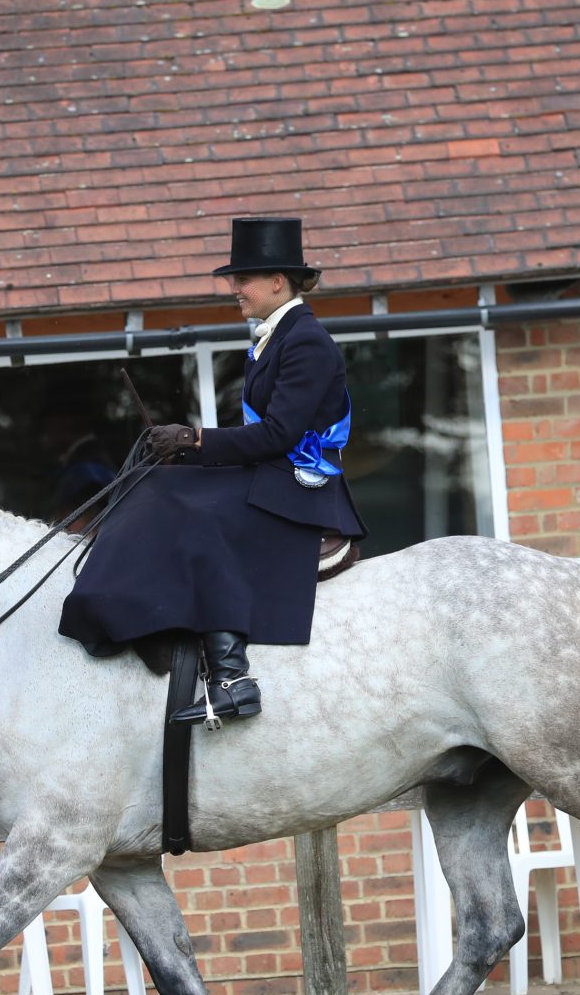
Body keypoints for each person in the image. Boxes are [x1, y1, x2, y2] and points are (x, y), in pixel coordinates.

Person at [57, 217, 367, 724]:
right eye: (233, 279)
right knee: (154, 482)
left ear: (277, 281)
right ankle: (144, 620)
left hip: (303, 488)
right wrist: (184, 449)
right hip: (271, 472)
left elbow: (278, 436)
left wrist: (195, 439)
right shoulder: (274, 337)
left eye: (242, 279)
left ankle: (231, 675)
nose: (234, 289)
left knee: (188, 509)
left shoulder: (306, 342)